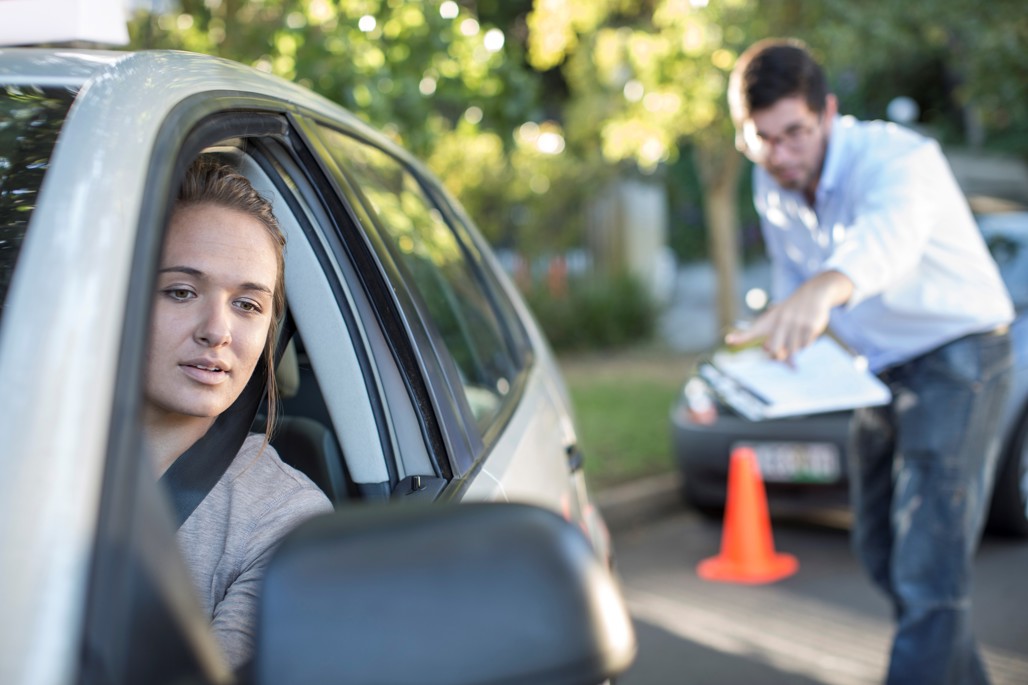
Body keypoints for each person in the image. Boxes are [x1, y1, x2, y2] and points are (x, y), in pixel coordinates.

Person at [726, 38, 1014, 684]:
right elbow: (790, 277)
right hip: (876, 368)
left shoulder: (898, 158)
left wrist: (821, 291)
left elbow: (885, 243)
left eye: (795, 133)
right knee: (882, 550)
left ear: (828, 111)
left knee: (927, 570)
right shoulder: (771, 179)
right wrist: (778, 340)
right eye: (762, 139)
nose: (781, 154)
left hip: (959, 354)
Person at [144, 156, 332, 669]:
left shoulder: (285, 520)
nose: (217, 331)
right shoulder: (26, 442)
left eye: (247, 304)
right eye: (181, 292)